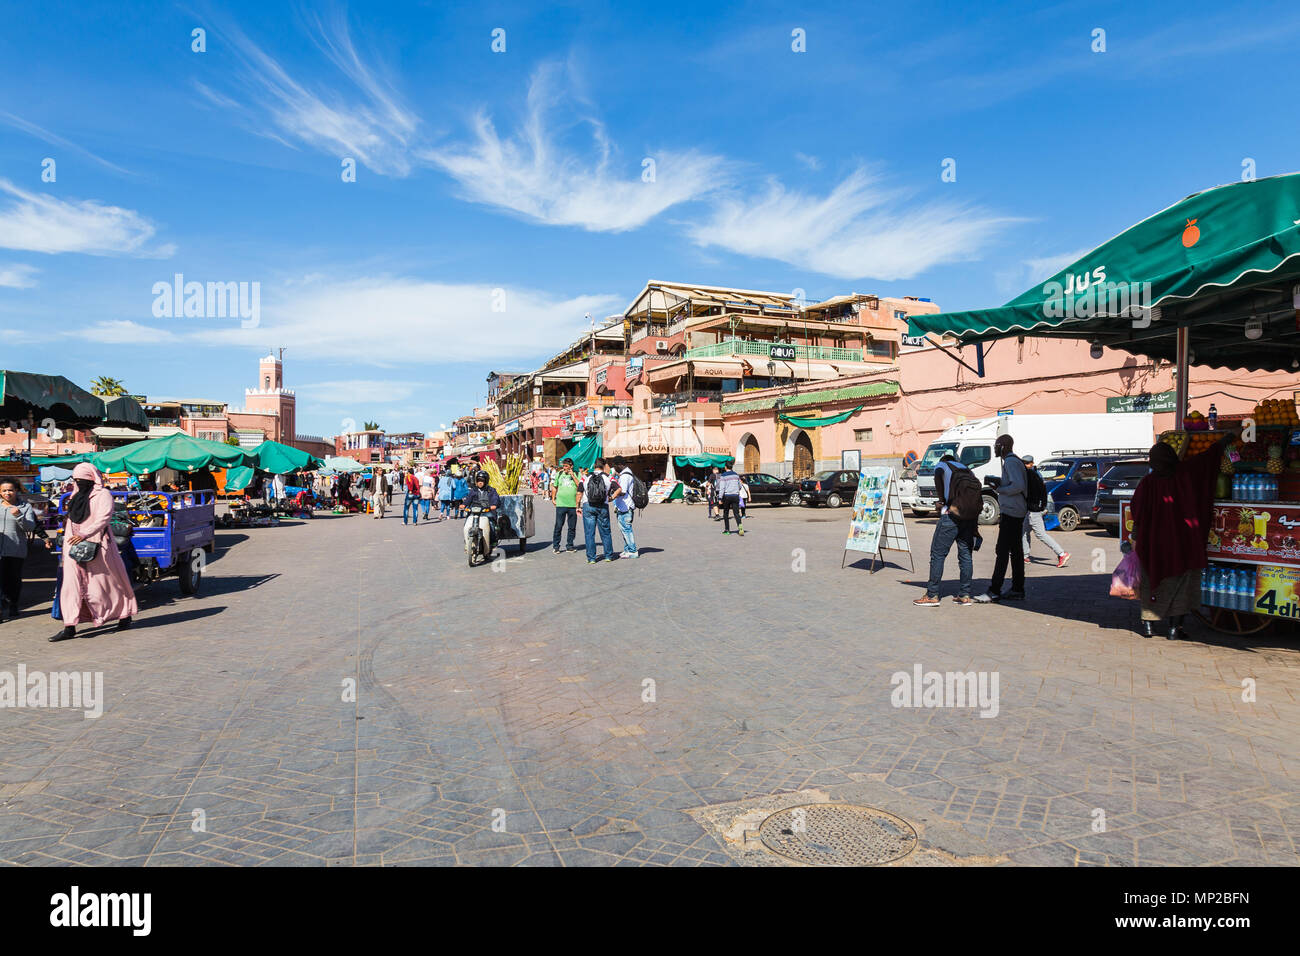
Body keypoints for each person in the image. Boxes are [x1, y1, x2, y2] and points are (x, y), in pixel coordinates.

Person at [1131, 437, 1226, 640]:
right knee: (1183, 585)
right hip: (1183, 544)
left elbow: (1136, 511)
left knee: (1150, 585)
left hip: (1152, 546)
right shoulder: (1185, 474)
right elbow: (1206, 459)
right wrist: (1223, 441)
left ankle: (1148, 627)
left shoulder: (1146, 483)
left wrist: (1135, 539)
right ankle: (1175, 629)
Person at [51, 463, 138, 642]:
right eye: (76, 480)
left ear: (92, 479)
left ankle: (124, 614)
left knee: (107, 584)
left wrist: (84, 534)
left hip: (98, 546)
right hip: (73, 547)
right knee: (71, 585)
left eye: (82, 480)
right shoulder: (75, 495)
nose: (79, 483)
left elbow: (103, 518)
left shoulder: (103, 495)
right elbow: (71, 522)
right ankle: (70, 625)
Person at [914, 454, 978, 607]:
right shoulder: (967, 469)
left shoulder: (941, 466)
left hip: (951, 515)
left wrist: (941, 501)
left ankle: (932, 595)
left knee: (937, 554)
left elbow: (939, 483)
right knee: (965, 555)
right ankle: (964, 595)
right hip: (969, 517)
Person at [975, 435, 1028, 602]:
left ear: (1003, 446)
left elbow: (1018, 485)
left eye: (996, 445)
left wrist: (1000, 489)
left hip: (1012, 512)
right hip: (1016, 511)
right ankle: (1017, 589)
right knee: (1016, 552)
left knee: (1003, 551)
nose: (995, 448)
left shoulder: (1011, 462)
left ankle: (994, 590)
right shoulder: (1014, 461)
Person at [0, 477, 41, 621]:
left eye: (10, 490)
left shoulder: (25, 507)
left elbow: (30, 527)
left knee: (13, 579)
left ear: (16, 491)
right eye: (4, 491)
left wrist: (18, 515)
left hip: (16, 549)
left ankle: (13, 604)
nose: (7, 493)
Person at [1021, 456, 1069, 567]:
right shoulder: (1037, 474)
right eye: (1024, 463)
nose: (1025, 465)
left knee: (1041, 534)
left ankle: (1061, 553)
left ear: (1032, 463)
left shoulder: (1030, 476)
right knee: (1023, 531)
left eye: (1027, 463)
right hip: (1035, 509)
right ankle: (1024, 555)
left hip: (1034, 510)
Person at [580, 459, 615, 563]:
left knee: (589, 533)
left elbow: (579, 492)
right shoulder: (608, 477)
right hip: (602, 506)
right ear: (603, 466)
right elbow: (618, 488)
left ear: (594, 466)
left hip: (588, 505)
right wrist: (611, 498)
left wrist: (578, 506)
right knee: (605, 532)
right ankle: (608, 556)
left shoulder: (586, 477)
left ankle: (591, 558)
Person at [462, 472, 502, 552]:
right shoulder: (473, 490)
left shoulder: (491, 490)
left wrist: (494, 505)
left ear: (486, 481)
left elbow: (495, 499)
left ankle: (493, 541)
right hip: (474, 512)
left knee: (491, 525)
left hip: (487, 512)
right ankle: (467, 542)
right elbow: (468, 499)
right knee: (466, 524)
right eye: (478, 480)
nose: (480, 482)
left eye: (482, 480)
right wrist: (464, 505)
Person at [610, 456, 639, 559]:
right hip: (623, 506)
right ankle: (627, 549)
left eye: (615, 466)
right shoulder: (625, 473)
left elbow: (622, 491)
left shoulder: (625, 476)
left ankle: (632, 551)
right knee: (624, 529)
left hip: (625, 507)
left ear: (620, 465)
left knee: (626, 529)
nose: (614, 468)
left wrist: (612, 494)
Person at [551, 459, 580, 553]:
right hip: (561, 504)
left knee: (572, 526)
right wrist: (553, 498)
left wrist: (573, 475)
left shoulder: (577, 473)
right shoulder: (559, 474)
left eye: (566, 466)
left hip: (573, 505)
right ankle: (556, 546)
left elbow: (580, 486)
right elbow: (555, 487)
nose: (564, 468)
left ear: (571, 466)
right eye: (563, 466)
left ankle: (570, 546)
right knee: (558, 526)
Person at [715, 463, 744, 535]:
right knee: (736, 513)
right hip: (735, 496)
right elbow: (740, 486)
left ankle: (727, 530)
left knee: (726, 513)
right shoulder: (736, 475)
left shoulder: (723, 475)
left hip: (727, 496)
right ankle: (740, 527)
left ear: (725, 467)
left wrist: (720, 498)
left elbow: (722, 488)